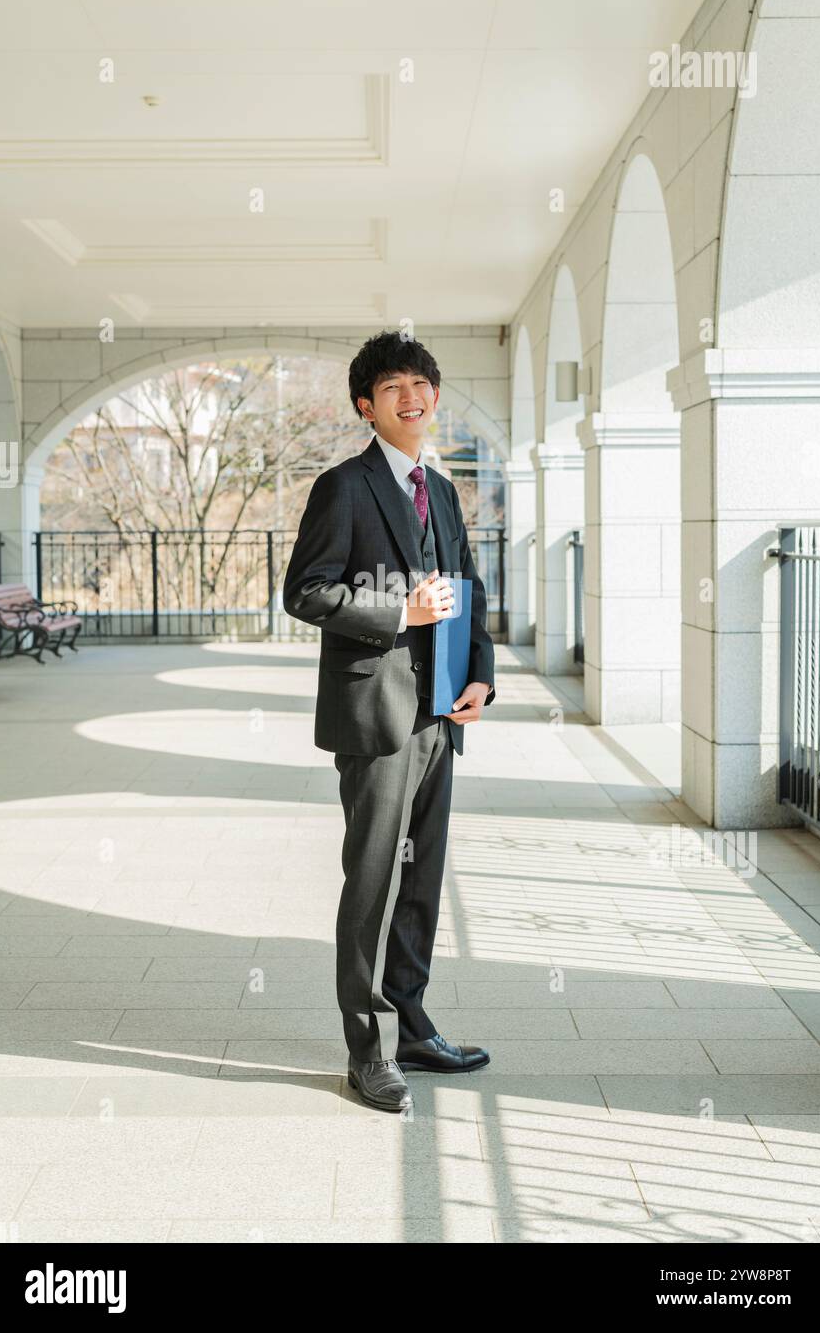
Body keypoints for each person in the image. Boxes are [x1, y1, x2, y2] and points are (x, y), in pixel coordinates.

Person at [282, 330, 496, 1112]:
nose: (412, 397)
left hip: (442, 710)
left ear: (434, 398)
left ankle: (411, 1022)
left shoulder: (441, 491)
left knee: (423, 881)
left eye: (422, 384)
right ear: (367, 407)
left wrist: (482, 676)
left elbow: (468, 587)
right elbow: (304, 591)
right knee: (373, 879)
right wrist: (394, 609)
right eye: (393, 387)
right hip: (375, 712)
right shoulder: (344, 487)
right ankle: (366, 1050)